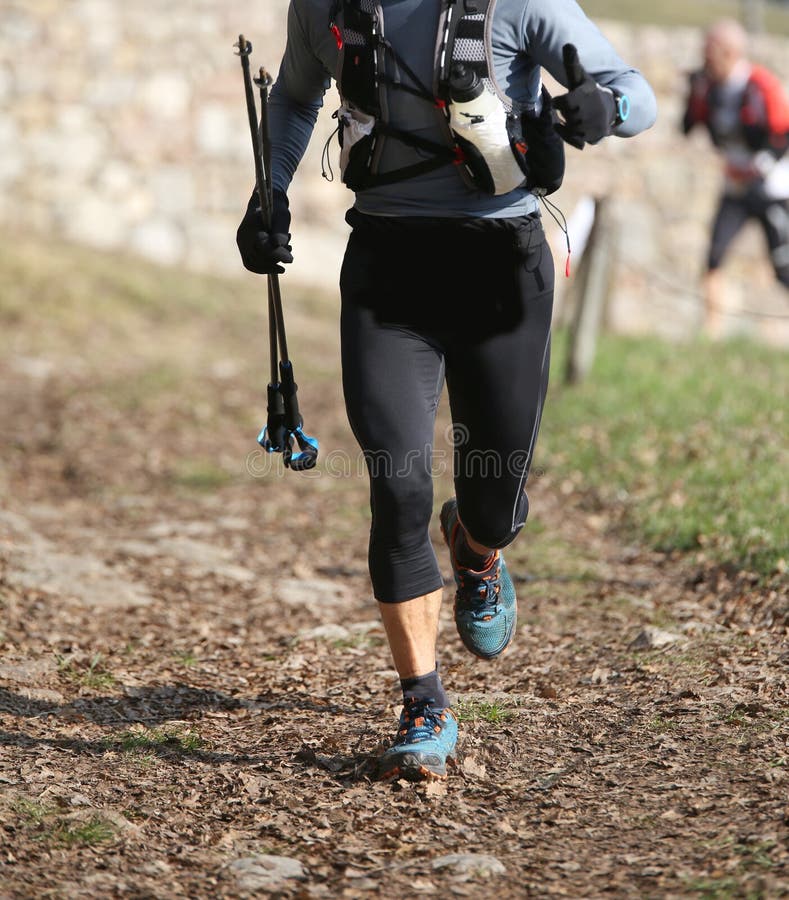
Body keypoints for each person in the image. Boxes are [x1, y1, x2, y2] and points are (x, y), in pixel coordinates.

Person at [237, 0, 656, 781]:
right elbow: (294, 96)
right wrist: (269, 190)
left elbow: (638, 94)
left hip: (502, 271)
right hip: (387, 272)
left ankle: (477, 549)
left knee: (494, 498)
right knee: (396, 488)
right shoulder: (324, 8)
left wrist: (605, 106)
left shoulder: (520, 4)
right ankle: (422, 701)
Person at [682, 18, 789, 336]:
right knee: (714, 256)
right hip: (735, 188)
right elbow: (688, 127)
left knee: (783, 268)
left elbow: (783, 133)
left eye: (709, 52)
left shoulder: (761, 84)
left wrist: (760, 168)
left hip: (773, 190)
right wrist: (693, 94)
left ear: (729, 52)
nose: (704, 59)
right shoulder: (710, 89)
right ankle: (710, 334)